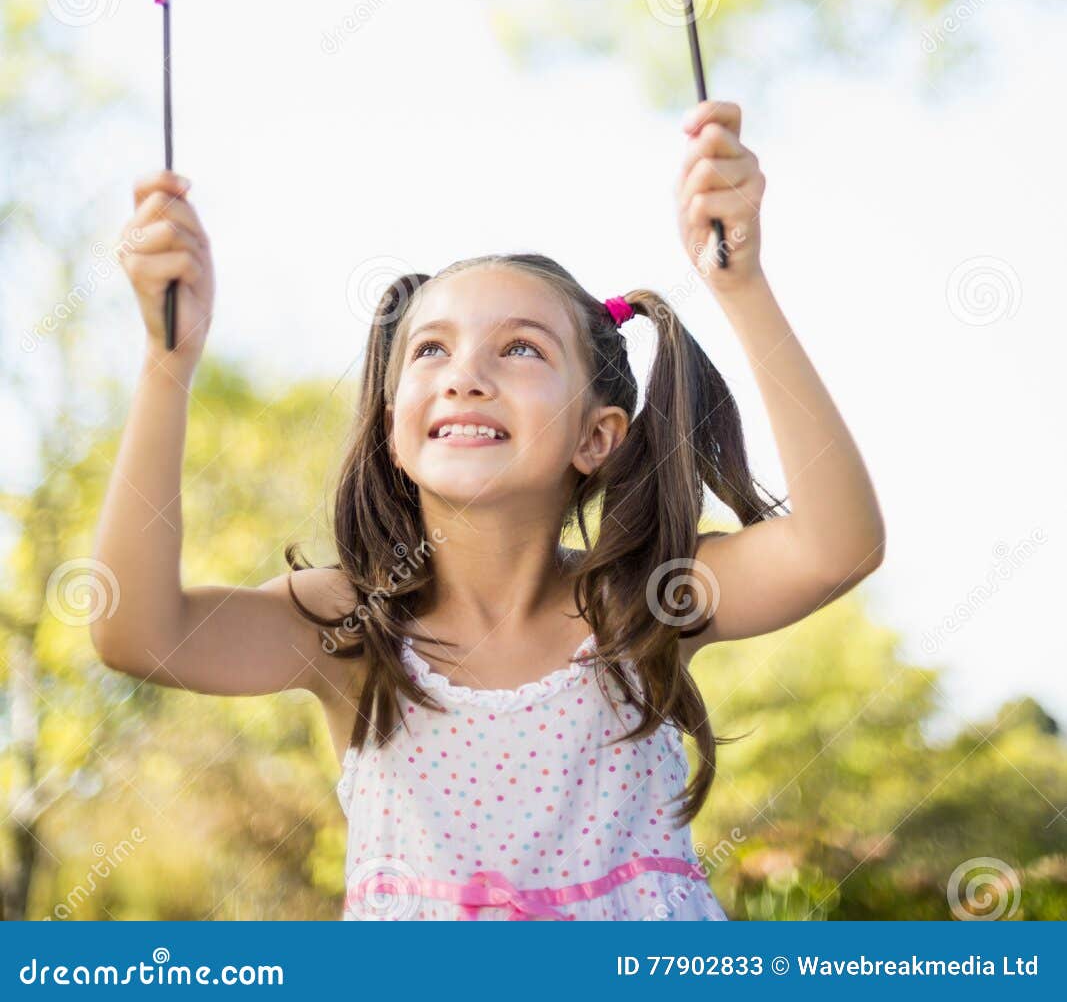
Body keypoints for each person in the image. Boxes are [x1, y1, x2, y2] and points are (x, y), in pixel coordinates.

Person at [92, 98, 886, 921]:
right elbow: (134, 633)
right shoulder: (349, 624)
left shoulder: (639, 603)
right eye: (430, 348)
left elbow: (838, 548)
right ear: (395, 430)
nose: (464, 373)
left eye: (520, 349)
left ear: (596, 435)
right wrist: (166, 364)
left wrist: (741, 287)